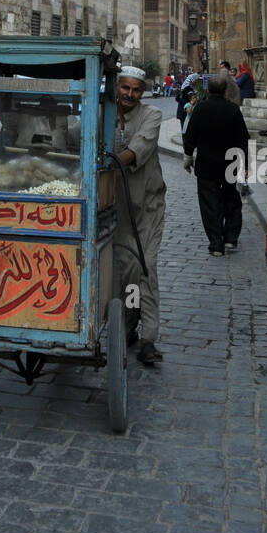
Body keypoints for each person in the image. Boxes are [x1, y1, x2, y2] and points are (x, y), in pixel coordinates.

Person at [112, 68, 167, 367]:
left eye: (135, 90)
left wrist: (104, 162)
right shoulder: (102, 114)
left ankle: (148, 338)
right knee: (126, 270)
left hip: (147, 207)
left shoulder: (152, 115)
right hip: (116, 208)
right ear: (117, 87)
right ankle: (128, 326)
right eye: (125, 88)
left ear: (142, 92)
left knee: (147, 267)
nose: (129, 95)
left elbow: (138, 149)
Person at [183, 73, 250, 256]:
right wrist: (245, 166)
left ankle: (215, 243)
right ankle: (230, 239)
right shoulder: (233, 110)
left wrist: (188, 156)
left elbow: (190, 135)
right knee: (232, 201)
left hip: (207, 165)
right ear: (225, 90)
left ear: (208, 90)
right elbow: (242, 140)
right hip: (230, 164)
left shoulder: (200, 109)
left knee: (209, 203)